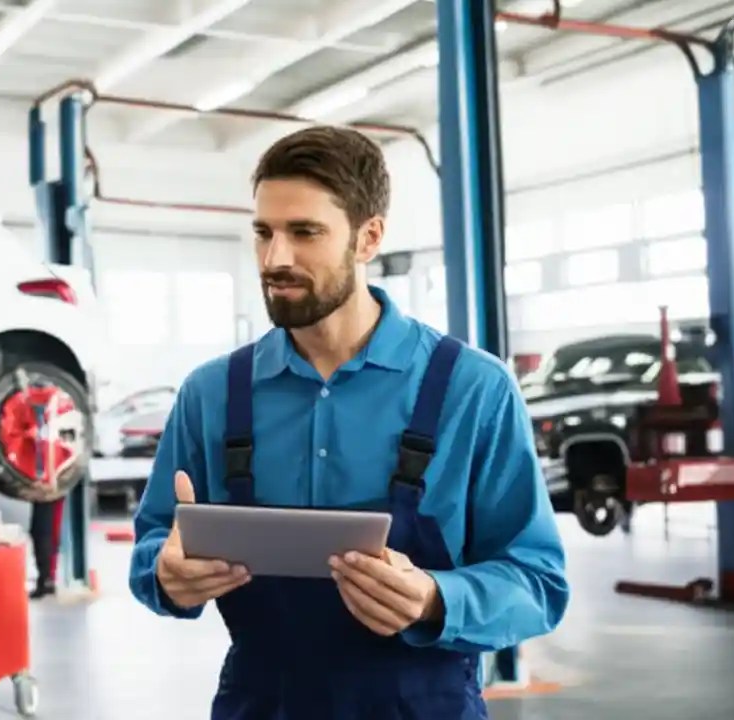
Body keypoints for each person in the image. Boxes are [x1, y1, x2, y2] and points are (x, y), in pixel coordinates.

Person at [128, 126, 569, 718]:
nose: (274, 258)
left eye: (304, 232)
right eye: (263, 232)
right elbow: (153, 545)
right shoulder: (210, 394)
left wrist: (437, 599)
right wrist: (165, 574)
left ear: (368, 239)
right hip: (262, 702)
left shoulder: (473, 390)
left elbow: (538, 582)